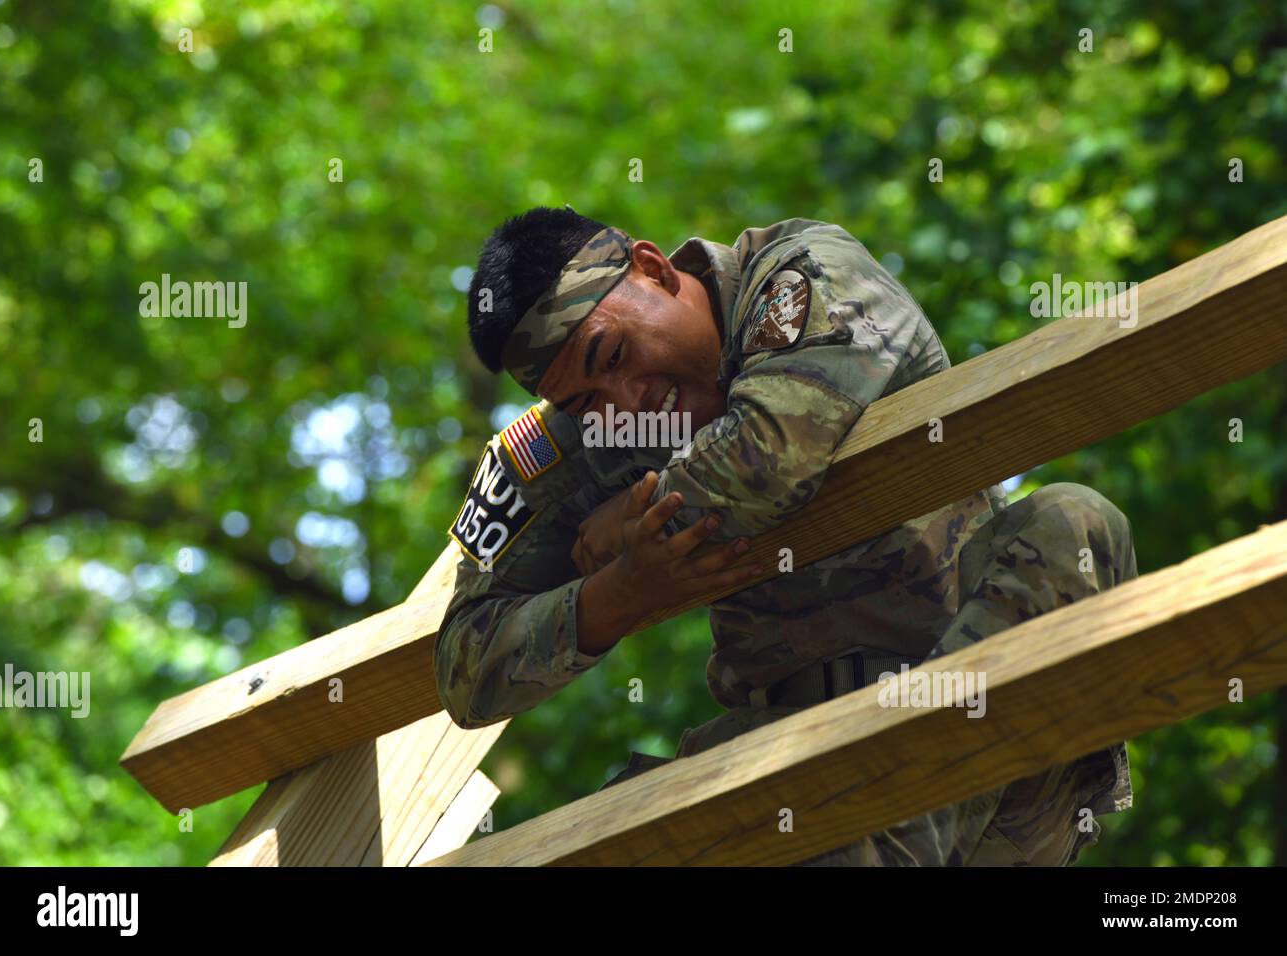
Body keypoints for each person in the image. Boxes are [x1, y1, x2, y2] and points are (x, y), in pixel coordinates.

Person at [435, 205, 1134, 865]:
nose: (625, 403)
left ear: (652, 267)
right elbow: (466, 669)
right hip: (795, 768)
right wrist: (621, 592)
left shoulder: (802, 271)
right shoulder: (569, 444)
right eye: (585, 403)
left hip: (994, 769)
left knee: (1072, 521)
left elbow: (769, 456)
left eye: (614, 354)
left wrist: (637, 521)